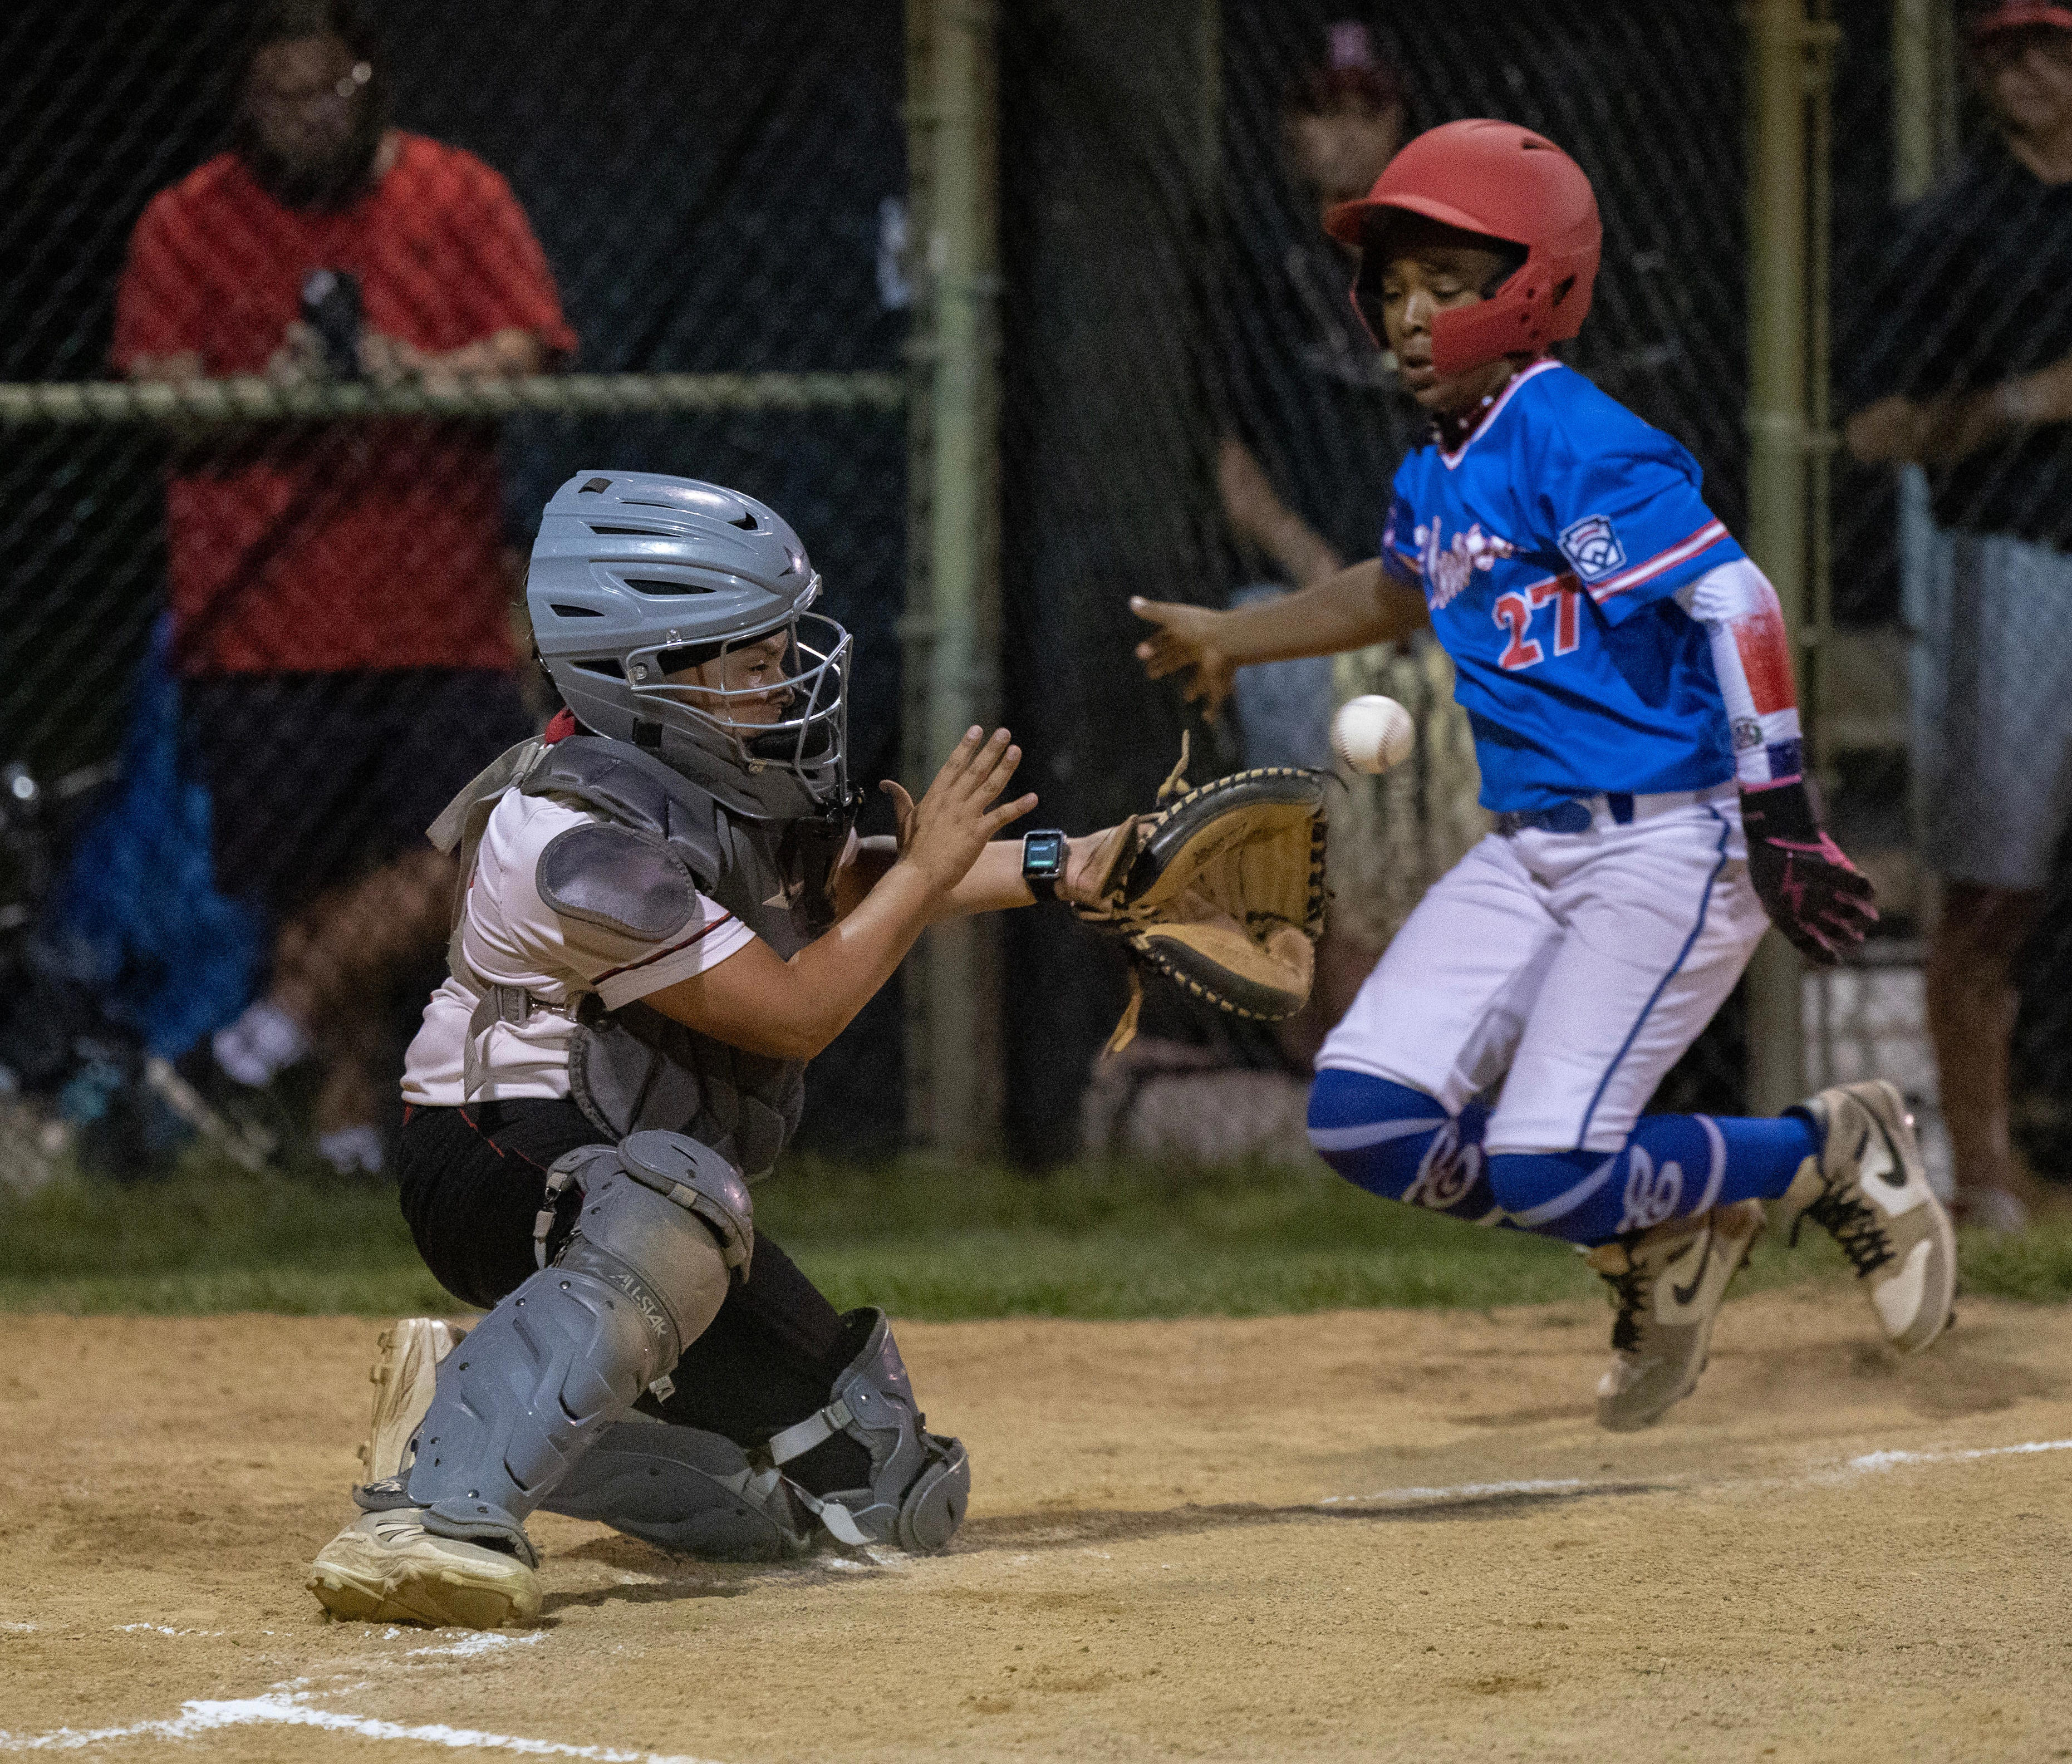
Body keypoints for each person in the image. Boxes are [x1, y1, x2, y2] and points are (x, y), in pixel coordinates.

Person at [1132, 120, 1957, 1432]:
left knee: (1546, 1159)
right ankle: (1667, 1231)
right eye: (1395, 286)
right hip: (1529, 847)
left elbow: (1737, 600)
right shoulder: (1440, 458)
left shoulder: (1568, 431)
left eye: (1448, 287)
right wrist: (1238, 634)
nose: (1410, 315)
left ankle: (1826, 1152)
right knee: (1359, 1115)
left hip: (1672, 841)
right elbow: (1399, 586)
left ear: (1534, 290)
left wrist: (1782, 812)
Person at [308, 471, 1114, 1627]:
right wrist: (929, 870)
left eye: (781, 648)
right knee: (682, 1202)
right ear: (640, 678)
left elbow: (848, 886)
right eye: (746, 659)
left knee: (877, 1488)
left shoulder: (722, 783)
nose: (781, 679)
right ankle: (428, 1512)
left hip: (628, 1179)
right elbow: (795, 1007)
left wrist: (1070, 864)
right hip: (496, 1150)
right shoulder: (576, 841)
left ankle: (460, 1398)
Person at [111, 0, 576, 1175]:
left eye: (324, 91)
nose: (303, 119)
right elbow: (153, 388)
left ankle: (257, 1043)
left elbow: (528, 344)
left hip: (435, 612)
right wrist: (263, 393)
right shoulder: (188, 219)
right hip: (261, 617)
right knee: (311, 888)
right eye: (277, 96)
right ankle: (348, 1132)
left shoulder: (456, 195)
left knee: (483, 840)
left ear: (368, 80)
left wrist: (413, 373)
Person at [1843, 0, 2072, 1231]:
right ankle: (1982, 1171)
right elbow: (1873, 427)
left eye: (2051, 46)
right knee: (1992, 889)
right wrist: (2024, 400)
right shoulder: (1951, 230)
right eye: (2001, 50)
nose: (2025, 70)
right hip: (2016, 563)